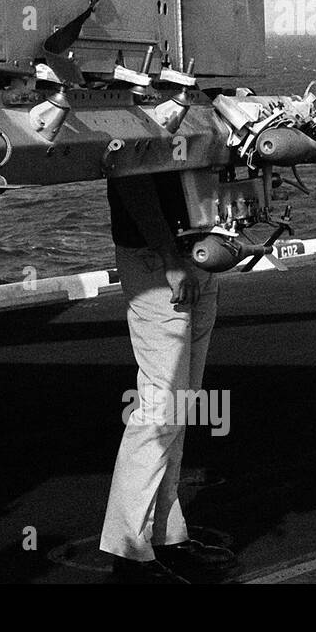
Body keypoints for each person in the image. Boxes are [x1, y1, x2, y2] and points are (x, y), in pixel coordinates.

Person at [100, 172, 236, 583]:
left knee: (180, 405)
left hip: (196, 255)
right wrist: (171, 259)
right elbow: (132, 182)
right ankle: (128, 551)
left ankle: (166, 536)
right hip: (158, 262)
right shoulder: (145, 112)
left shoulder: (199, 109)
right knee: (161, 408)